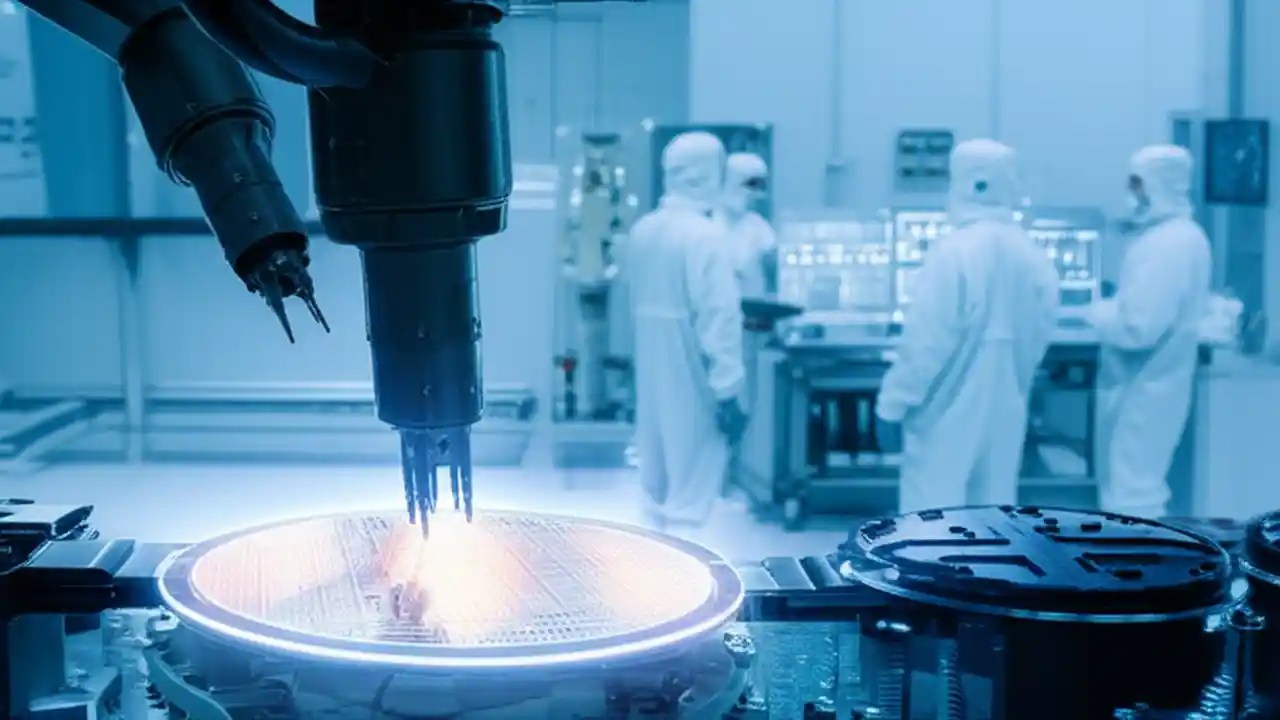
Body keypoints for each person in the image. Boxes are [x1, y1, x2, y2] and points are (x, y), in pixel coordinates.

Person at [875, 139, 1060, 513]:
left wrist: (892, 405)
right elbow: (1041, 334)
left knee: (931, 519)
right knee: (993, 515)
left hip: (943, 414)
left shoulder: (953, 251)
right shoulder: (1031, 254)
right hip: (1006, 409)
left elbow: (925, 344)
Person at [629, 131, 747, 531]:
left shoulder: (644, 230)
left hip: (651, 381)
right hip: (696, 383)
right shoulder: (705, 236)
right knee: (692, 492)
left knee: (656, 485)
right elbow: (719, 318)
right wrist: (728, 390)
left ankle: (655, 564)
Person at [1089, 145, 1211, 519]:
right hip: (1154, 386)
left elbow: (1137, 329)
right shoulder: (1181, 236)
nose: (1132, 192)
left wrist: (1097, 313)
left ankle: (1136, 555)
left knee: (1131, 495)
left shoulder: (1167, 244)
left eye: (1137, 183)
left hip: (1143, 390)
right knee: (1133, 487)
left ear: (1157, 184)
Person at [715, 153, 778, 298]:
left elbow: (774, 262)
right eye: (751, 185)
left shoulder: (757, 226)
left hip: (752, 305)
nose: (756, 194)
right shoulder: (708, 223)